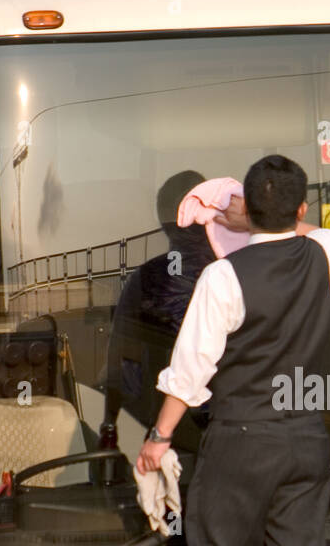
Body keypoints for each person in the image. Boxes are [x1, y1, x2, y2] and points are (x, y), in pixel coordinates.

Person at [136, 154, 330, 546]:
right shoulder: (326, 256)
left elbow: (190, 371)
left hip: (242, 440)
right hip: (306, 438)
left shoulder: (223, 278)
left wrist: (159, 438)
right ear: (301, 208)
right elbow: (324, 234)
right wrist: (261, 219)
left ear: (246, 210)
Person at [102, 172, 249, 451]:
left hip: (170, 436)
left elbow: (121, 361)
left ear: (164, 223)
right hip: (245, 430)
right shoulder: (248, 270)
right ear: (212, 212)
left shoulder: (146, 280)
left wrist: (110, 424)